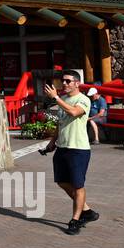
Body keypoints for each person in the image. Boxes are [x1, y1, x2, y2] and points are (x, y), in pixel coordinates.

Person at [40, 73, 98, 234]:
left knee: (78, 185)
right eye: (62, 81)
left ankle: (76, 220)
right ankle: (87, 211)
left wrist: (56, 98)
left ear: (77, 83)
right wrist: (52, 143)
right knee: (62, 182)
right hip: (62, 148)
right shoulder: (64, 100)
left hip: (78, 149)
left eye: (68, 81)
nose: (64, 83)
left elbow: (73, 112)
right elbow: (60, 123)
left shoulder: (83, 99)